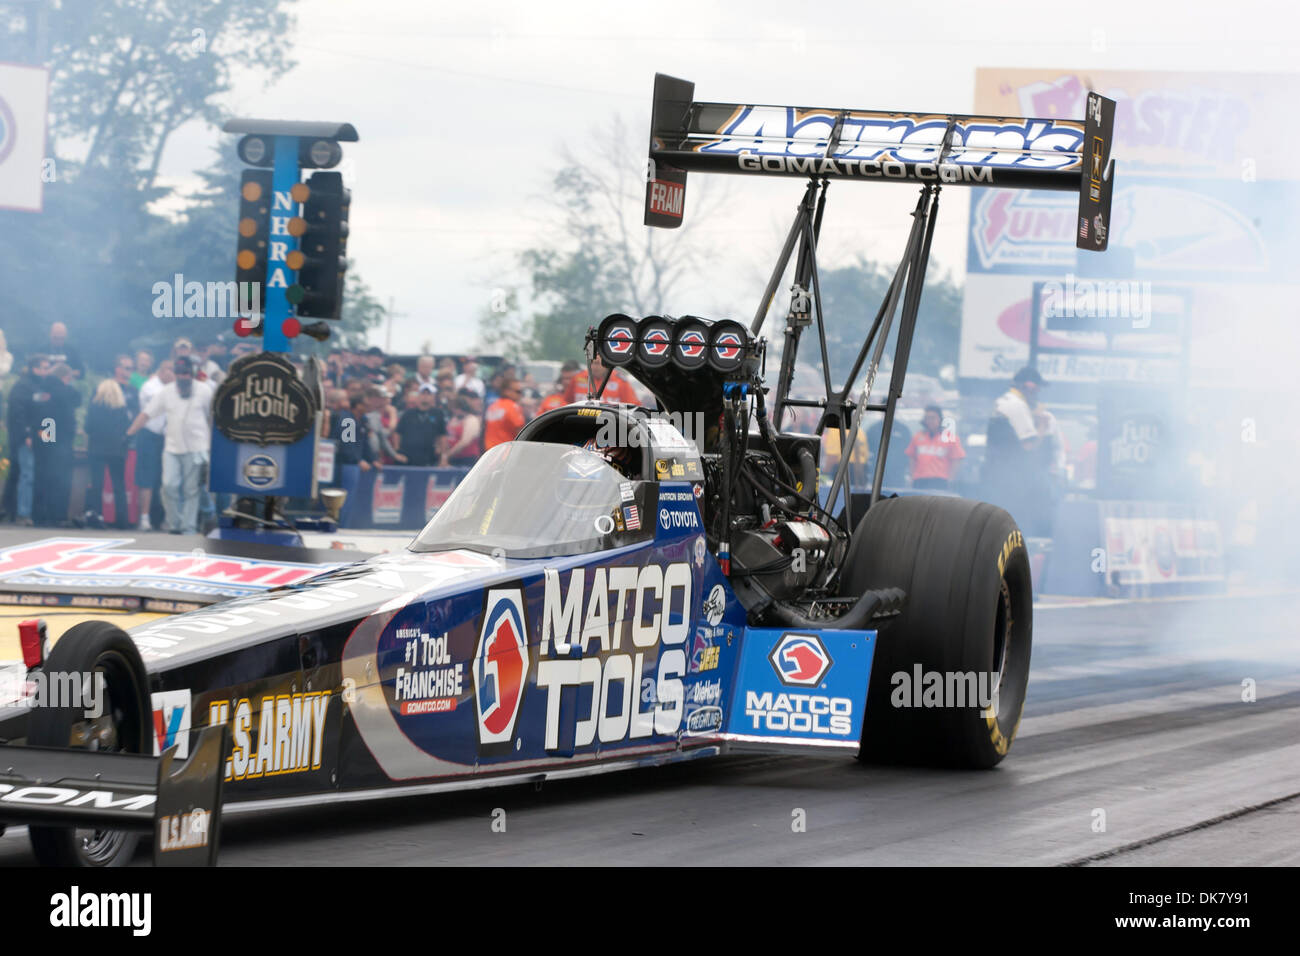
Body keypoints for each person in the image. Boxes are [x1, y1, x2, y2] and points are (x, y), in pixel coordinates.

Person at [126, 356, 213, 534]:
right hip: (172, 447)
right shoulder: (166, 392)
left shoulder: (205, 391)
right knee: (169, 485)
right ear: (176, 374)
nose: (183, 377)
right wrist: (129, 433)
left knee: (191, 489)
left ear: (192, 374)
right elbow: (146, 414)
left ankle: (187, 526)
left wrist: (213, 443)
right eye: (179, 373)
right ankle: (175, 523)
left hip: (197, 447)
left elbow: (212, 416)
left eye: (186, 373)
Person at [983, 366, 1050, 535]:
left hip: (996, 474)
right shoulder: (1018, 406)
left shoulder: (1002, 401)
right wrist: (1042, 426)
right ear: (1029, 385)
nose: (1039, 391)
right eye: (1037, 386)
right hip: (1013, 480)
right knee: (1016, 524)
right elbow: (1029, 446)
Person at [5, 354, 50, 525]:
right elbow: (18, 415)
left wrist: (48, 438)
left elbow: (47, 415)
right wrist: (26, 436)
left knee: (18, 474)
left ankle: (10, 511)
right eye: (44, 367)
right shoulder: (23, 387)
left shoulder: (42, 386)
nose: (47, 371)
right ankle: (23, 514)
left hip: (39, 438)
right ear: (34, 368)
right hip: (26, 439)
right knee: (27, 475)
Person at [33, 363, 79, 525]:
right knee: (60, 477)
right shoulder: (64, 391)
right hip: (60, 438)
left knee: (43, 475)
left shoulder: (41, 389)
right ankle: (57, 515)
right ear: (66, 377)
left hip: (45, 434)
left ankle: (39, 515)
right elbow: (77, 399)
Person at [85, 379, 133, 528]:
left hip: (97, 449)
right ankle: (122, 520)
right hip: (117, 450)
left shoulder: (94, 406)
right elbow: (128, 428)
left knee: (97, 484)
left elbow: (88, 427)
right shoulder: (122, 408)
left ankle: (97, 516)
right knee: (119, 485)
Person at [134, 359, 173, 531]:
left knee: (166, 479)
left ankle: (163, 517)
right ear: (160, 371)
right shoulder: (150, 387)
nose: (171, 373)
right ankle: (144, 518)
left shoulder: (176, 387)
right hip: (149, 434)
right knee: (147, 478)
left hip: (169, 437)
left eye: (173, 370)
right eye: (167, 369)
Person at [903, 405, 966, 491]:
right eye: (927, 418)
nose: (930, 421)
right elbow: (912, 458)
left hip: (940, 481)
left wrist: (951, 480)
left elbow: (956, 460)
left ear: (940, 419)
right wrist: (911, 476)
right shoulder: (917, 437)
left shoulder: (950, 438)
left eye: (933, 418)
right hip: (919, 480)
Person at [393, 384, 448, 467]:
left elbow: (442, 436)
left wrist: (443, 458)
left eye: (428, 394)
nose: (425, 396)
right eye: (423, 393)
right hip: (407, 457)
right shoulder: (408, 413)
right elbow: (397, 433)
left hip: (429, 457)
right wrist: (397, 451)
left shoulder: (438, 414)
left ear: (433, 397)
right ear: (418, 396)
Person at [484, 378, 526, 451]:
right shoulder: (513, 406)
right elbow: (521, 431)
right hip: (506, 450)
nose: (520, 395)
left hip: (490, 451)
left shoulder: (493, 405)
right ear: (507, 391)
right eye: (518, 391)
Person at [444, 392, 483, 467]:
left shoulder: (471, 420)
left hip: (467, 458)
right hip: (454, 459)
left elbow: (465, 441)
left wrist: (448, 454)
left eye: (455, 408)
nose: (453, 410)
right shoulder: (454, 419)